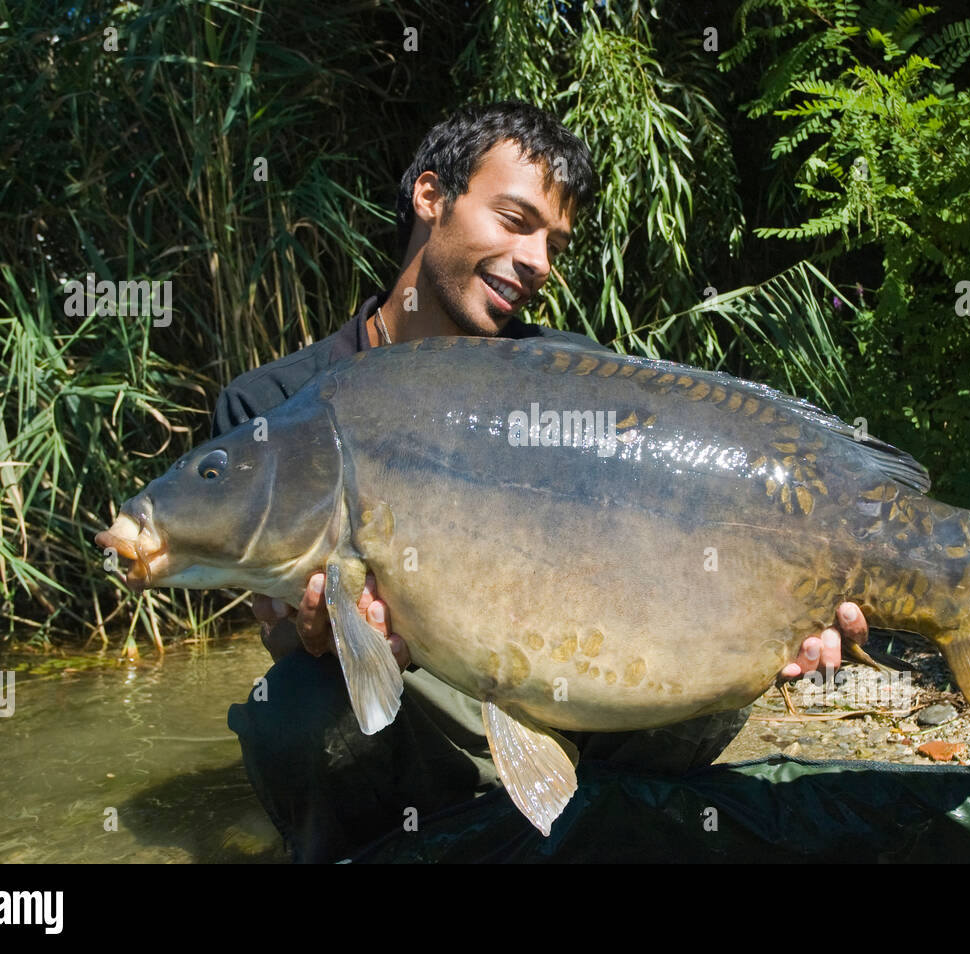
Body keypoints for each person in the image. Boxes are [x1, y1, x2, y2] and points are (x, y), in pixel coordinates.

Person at [217, 101, 868, 861]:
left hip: (578, 703)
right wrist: (314, 630)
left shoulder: (571, 376)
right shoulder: (274, 409)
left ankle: (576, 826)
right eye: (515, 220)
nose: (539, 261)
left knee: (724, 678)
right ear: (431, 197)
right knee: (293, 707)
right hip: (416, 722)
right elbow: (277, 627)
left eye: (553, 242)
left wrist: (785, 609)